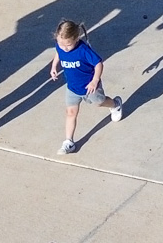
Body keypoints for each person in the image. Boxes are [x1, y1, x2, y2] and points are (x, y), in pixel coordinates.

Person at [47, 19, 123, 154]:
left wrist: (95, 80)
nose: (64, 48)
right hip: (72, 88)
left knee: (100, 103)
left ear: (76, 38)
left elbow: (98, 63)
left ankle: (115, 104)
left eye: (68, 45)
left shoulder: (83, 50)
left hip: (90, 87)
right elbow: (59, 53)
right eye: (61, 43)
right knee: (70, 113)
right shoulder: (61, 45)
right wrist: (54, 67)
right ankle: (69, 142)